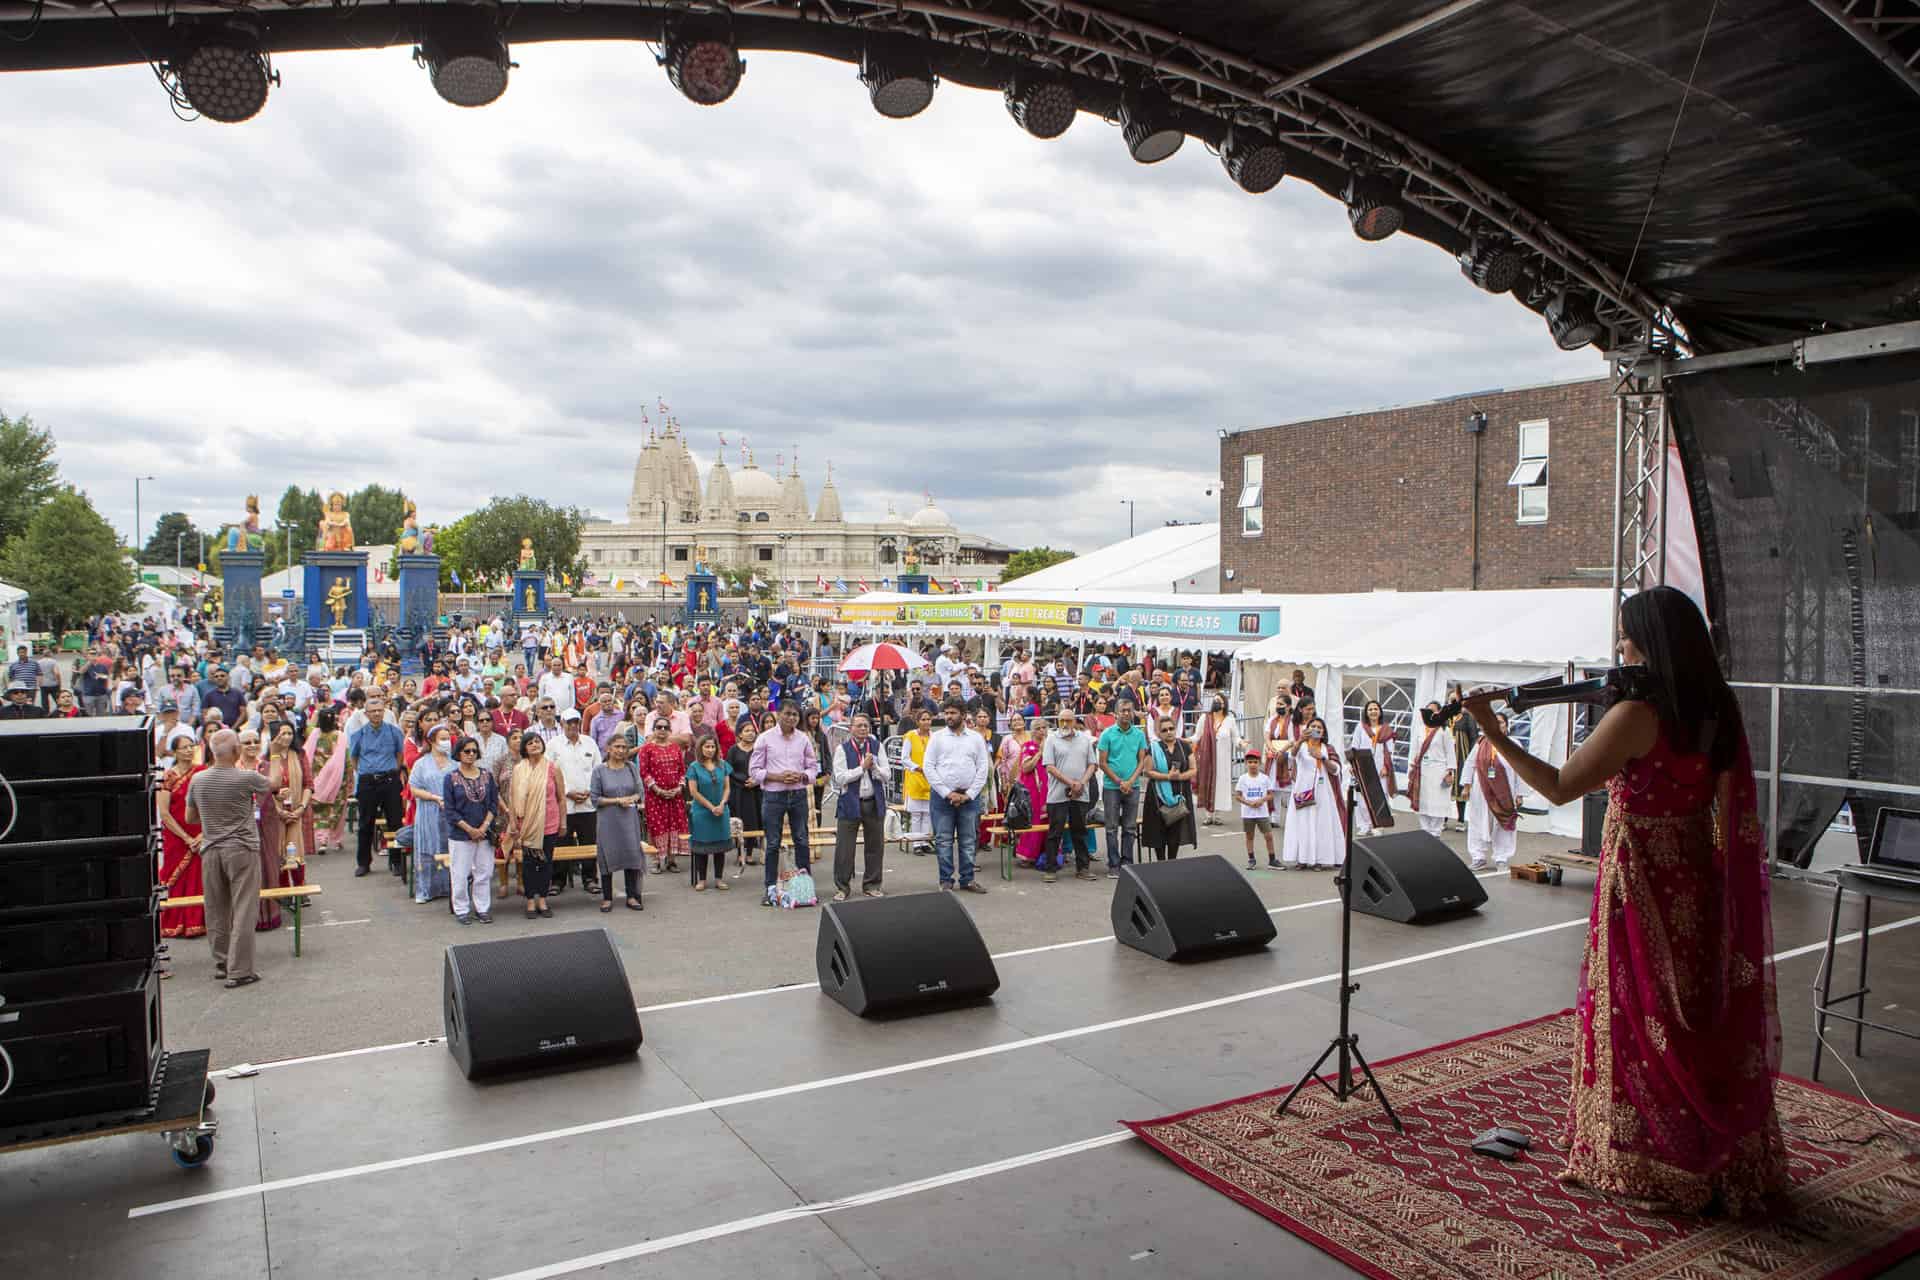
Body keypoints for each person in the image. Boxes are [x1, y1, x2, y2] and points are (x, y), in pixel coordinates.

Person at [1461, 586, 1783, 1214]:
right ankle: (1708, 1153)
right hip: (1696, 879)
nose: (1618, 647)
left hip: (1641, 882)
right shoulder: (1717, 708)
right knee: (1691, 1009)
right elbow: (1726, 813)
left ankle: (1652, 1158)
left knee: (1640, 1014)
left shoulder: (1637, 715)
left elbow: (1558, 787)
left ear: (1651, 642)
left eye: (1625, 636)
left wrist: (1494, 732)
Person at [186, 729, 277, 988]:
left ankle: (222, 962)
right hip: (241, 849)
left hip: (211, 849)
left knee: (216, 909)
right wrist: (278, 755)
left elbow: (191, 818)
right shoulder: (246, 777)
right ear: (236, 751)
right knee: (244, 909)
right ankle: (239, 970)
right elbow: (274, 783)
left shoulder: (198, 779)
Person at [749, 702, 818, 906]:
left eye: (795, 715)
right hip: (773, 796)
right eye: (787, 714)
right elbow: (754, 770)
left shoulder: (803, 738)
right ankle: (770, 889)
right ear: (778, 714)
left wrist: (802, 776)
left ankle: (805, 888)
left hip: (797, 794)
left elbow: (813, 768)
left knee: (802, 840)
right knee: (772, 843)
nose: (791, 718)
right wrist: (776, 777)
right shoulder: (765, 738)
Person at [922, 699, 990, 893]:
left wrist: (969, 794)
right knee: (943, 840)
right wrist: (946, 792)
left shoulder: (975, 738)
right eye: (946, 713)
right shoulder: (938, 737)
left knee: (968, 840)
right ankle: (946, 880)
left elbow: (983, 768)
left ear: (963, 713)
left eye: (952, 713)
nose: (948, 717)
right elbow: (929, 767)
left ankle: (967, 879)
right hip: (942, 798)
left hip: (969, 798)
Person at [830, 712, 891, 901]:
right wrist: (862, 768)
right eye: (859, 725)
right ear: (851, 729)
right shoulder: (843, 749)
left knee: (875, 846)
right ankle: (842, 887)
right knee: (844, 848)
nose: (863, 729)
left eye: (866, 725)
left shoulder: (877, 746)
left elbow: (887, 775)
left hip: (873, 801)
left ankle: (872, 884)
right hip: (850, 802)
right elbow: (840, 778)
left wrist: (874, 768)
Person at [505, 731, 565, 919]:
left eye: (537, 741)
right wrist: (513, 823)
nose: (534, 745)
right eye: (530, 743)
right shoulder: (518, 769)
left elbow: (561, 798)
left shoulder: (552, 768)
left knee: (545, 862)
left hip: (549, 822)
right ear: (524, 748)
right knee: (530, 863)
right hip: (526, 824)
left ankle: (543, 899)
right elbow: (512, 798)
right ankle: (531, 899)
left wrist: (563, 822)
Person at [348, 695, 407, 879]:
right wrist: (368, 770)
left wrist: (391, 771)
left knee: (395, 821)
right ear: (366, 714)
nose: (376, 714)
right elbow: (354, 758)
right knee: (366, 823)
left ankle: (397, 861)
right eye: (372, 711)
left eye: (379, 711)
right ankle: (363, 863)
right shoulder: (358, 734)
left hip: (389, 779)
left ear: (384, 712)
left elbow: (399, 754)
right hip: (368, 781)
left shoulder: (394, 731)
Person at [443, 735, 500, 924]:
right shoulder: (450, 778)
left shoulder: (487, 775)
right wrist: (469, 830)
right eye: (466, 751)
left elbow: (493, 804)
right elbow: (450, 810)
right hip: (461, 834)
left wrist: (483, 827)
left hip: (484, 833)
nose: (471, 754)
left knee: (484, 873)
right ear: (458, 753)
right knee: (460, 873)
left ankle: (482, 908)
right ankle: (461, 909)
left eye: (474, 751)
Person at [547, 710, 603, 895]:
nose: (572, 726)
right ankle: (558, 881)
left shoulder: (589, 742)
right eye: (569, 722)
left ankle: (590, 879)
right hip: (564, 804)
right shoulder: (553, 745)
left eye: (575, 722)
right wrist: (567, 792)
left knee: (589, 842)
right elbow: (549, 774)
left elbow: (598, 770)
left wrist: (590, 790)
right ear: (562, 722)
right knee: (562, 843)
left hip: (587, 803)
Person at [157, 736, 206, 942]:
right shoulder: (167, 778)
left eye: (190, 747)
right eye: (183, 748)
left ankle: (198, 920)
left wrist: (202, 834)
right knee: (176, 877)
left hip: (202, 832)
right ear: (174, 752)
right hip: (177, 836)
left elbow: (210, 804)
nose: (188, 751)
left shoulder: (202, 772)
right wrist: (186, 838)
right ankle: (176, 920)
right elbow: (165, 813)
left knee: (200, 876)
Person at [257, 721, 312, 905]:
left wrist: (301, 808)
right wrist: (278, 809)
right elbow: (264, 790)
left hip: (296, 810)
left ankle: (300, 889)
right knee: (278, 851)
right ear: (274, 737)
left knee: (296, 850)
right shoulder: (266, 760)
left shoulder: (300, 755)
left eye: (290, 733)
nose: (287, 737)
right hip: (275, 814)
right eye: (283, 734)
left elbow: (308, 785)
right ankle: (283, 891)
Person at [591, 733, 647, 910]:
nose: (621, 750)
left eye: (624, 747)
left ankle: (632, 896)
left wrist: (632, 798)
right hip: (608, 820)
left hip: (629, 820)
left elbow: (640, 792)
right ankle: (607, 897)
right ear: (608, 748)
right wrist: (617, 801)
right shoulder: (599, 770)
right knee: (607, 855)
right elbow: (595, 799)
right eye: (617, 747)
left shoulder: (631, 767)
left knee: (632, 854)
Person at [1280, 716, 1345, 870]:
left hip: (1322, 792)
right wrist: (1301, 740)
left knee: (1320, 824)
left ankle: (1319, 860)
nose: (1316, 729)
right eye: (1313, 726)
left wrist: (1322, 758)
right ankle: (1302, 859)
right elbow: (1292, 756)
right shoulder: (1302, 746)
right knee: (1302, 823)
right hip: (1303, 789)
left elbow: (1336, 770)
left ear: (1323, 732)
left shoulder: (1327, 748)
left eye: (1319, 727)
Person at [1039, 710, 1097, 882]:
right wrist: (1071, 783)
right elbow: (1049, 766)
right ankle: (1050, 869)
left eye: (1068, 721)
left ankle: (1083, 868)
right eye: (1061, 720)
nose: (1065, 724)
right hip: (1058, 795)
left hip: (1081, 793)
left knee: (1080, 832)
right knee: (1054, 833)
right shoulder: (1051, 739)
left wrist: (1081, 783)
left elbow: (1092, 764)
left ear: (1074, 721)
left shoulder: (1085, 739)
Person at [1096, 701, 1148, 875]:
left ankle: (1127, 862)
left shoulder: (1139, 734)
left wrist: (1131, 781)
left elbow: (1141, 761)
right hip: (1112, 787)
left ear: (1133, 712)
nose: (1126, 713)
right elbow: (1102, 763)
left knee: (1129, 827)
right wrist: (1119, 782)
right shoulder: (1107, 734)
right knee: (1111, 827)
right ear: (1116, 713)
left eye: (1129, 710)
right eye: (1122, 711)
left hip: (1132, 786)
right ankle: (1114, 864)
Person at [407, 724, 455, 903]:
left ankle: (449, 887)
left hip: (450, 812)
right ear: (432, 741)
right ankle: (426, 889)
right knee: (428, 847)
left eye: (448, 738)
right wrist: (434, 798)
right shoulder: (422, 763)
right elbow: (414, 788)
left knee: (449, 848)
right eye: (442, 738)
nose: (446, 742)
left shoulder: (455, 762)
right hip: (428, 811)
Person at [1140, 713, 1197, 860]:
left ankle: (1172, 864)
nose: (1169, 732)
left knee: (1175, 833)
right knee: (1158, 834)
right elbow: (1147, 771)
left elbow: (1193, 769)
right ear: (1158, 732)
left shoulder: (1184, 746)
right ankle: (1160, 864)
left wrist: (1179, 777)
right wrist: (1167, 777)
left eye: (1171, 728)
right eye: (1164, 730)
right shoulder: (1153, 748)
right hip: (1157, 796)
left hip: (1180, 794)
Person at [684, 734, 734, 893]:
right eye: (707, 746)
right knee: (702, 847)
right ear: (700, 748)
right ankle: (702, 879)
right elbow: (693, 792)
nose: (710, 749)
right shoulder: (693, 767)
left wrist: (721, 804)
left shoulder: (723, 765)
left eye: (713, 746)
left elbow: (727, 787)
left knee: (719, 847)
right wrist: (711, 807)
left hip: (721, 810)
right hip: (702, 812)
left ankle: (719, 879)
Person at [641, 716, 690, 876]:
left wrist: (679, 788)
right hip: (655, 797)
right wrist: (658, 790)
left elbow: (682, 770)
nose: (662, 730)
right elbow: (644, 772)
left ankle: (671, 860)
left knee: (674, 825)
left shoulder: (675, 748)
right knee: (656, 827)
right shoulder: (646, 749)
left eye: (665, 728)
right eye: (659, 727)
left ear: (670, 731)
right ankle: (656, 861)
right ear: (653, 730)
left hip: (675, 795)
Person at [1348, 700, 1400, 836]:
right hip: (1363, 766)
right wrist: (1352, 765)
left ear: (1380, 712)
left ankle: (1377, 824)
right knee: (1362, 797)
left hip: (1380, 767)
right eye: (1370, 709)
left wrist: (1386, 767)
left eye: (1375, 709)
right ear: (1366, 712)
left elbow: (1390, 751)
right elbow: (1354, 746)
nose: (1373, 712)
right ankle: (1364, 825)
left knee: (1379, 797)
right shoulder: (1360, 727)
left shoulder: (1386, 729)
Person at [306, 706, 352, 855]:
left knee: (320, 809)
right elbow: (347, 759)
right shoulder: (340, 735)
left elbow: (306, 754)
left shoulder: (314, 733)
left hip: (316, 778)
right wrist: (350, 778)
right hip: (337, 779)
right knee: (336, 808)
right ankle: (336, 839)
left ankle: (322, 840)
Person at [1407, 701, 1456, 837]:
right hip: (1422, 770)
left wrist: (1450, 772)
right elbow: (1415, 749)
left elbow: (1450, 752)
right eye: (1428, 711)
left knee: (1437, 802)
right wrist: (1412, 764)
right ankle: (1425, 830)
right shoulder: (1420, 729)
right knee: (1423, 801)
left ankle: (1435, 832)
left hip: (1439, 770)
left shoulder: (1444, 730)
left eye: (1434, 711)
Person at [1193, 695, 1241, 826]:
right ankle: (1208, 815)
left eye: (1218, 701)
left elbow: (1236, 738)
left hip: (1223, 760)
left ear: (1224, 704)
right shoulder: (1205, 718)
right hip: (1207, 758)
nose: (1215, 703)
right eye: (1214, 700)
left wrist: (1241, 743)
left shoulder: (1230, 720)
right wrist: (1183, 740)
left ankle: (1218, 815)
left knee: (1220, 786)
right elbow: (1197, 736)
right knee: (1208, 783)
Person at [727, 720, 763, 868]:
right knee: (740, 821)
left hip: (756, 791)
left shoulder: (759, 749)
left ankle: (748, 854)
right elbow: (729, 769)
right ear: (740, 734)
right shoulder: (733, 750)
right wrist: (743, 780)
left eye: (752, 731)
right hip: (739, 791)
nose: (750, 733)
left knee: (754, 821)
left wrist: (756, 780)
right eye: (746, 731)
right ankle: (739, 853)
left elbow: (765, 766)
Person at [1236, 750, 1279, 870]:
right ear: (1246, 763)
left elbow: (1271, 794)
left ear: (1259, 763)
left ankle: (1272, 859)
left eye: (1255, 762)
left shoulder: (1264, 778)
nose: (1252, 764)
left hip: (1262, 813)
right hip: (1248, 813)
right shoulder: (1243, 779)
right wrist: (1248, 802)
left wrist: (1261, 800)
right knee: (1249, 836)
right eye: (1250, 762)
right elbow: (1238, 796)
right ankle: (1251, 859)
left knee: (1268, 836)